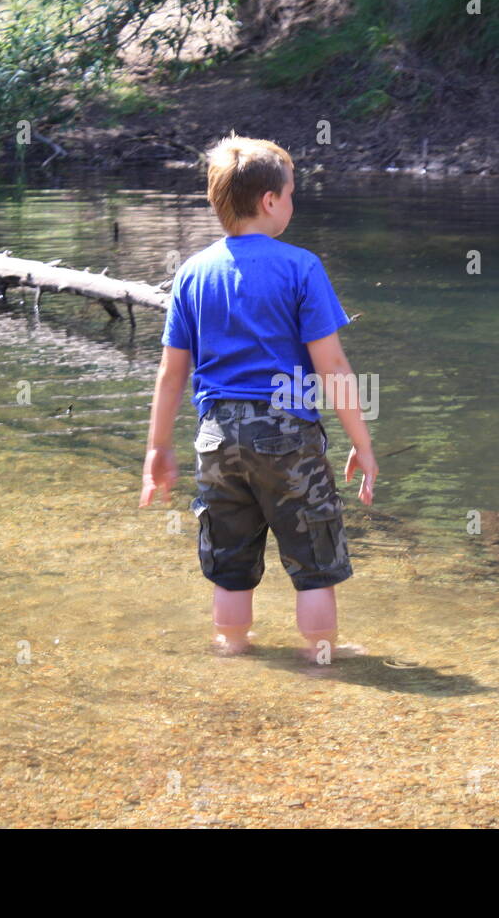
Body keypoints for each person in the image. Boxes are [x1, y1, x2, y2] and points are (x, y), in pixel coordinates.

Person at [139, 133, 376, 660]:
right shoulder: (301, 267)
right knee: (314, 559)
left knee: (229, 559)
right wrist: (361, 442)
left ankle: (232, 649)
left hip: (216, 436)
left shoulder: (193, 273)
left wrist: (158, 449)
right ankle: (321, 660)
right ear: (270, 200)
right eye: (291, 194)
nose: (292, 204)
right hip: (285, 433)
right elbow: (332, 366)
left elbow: (171, 375)